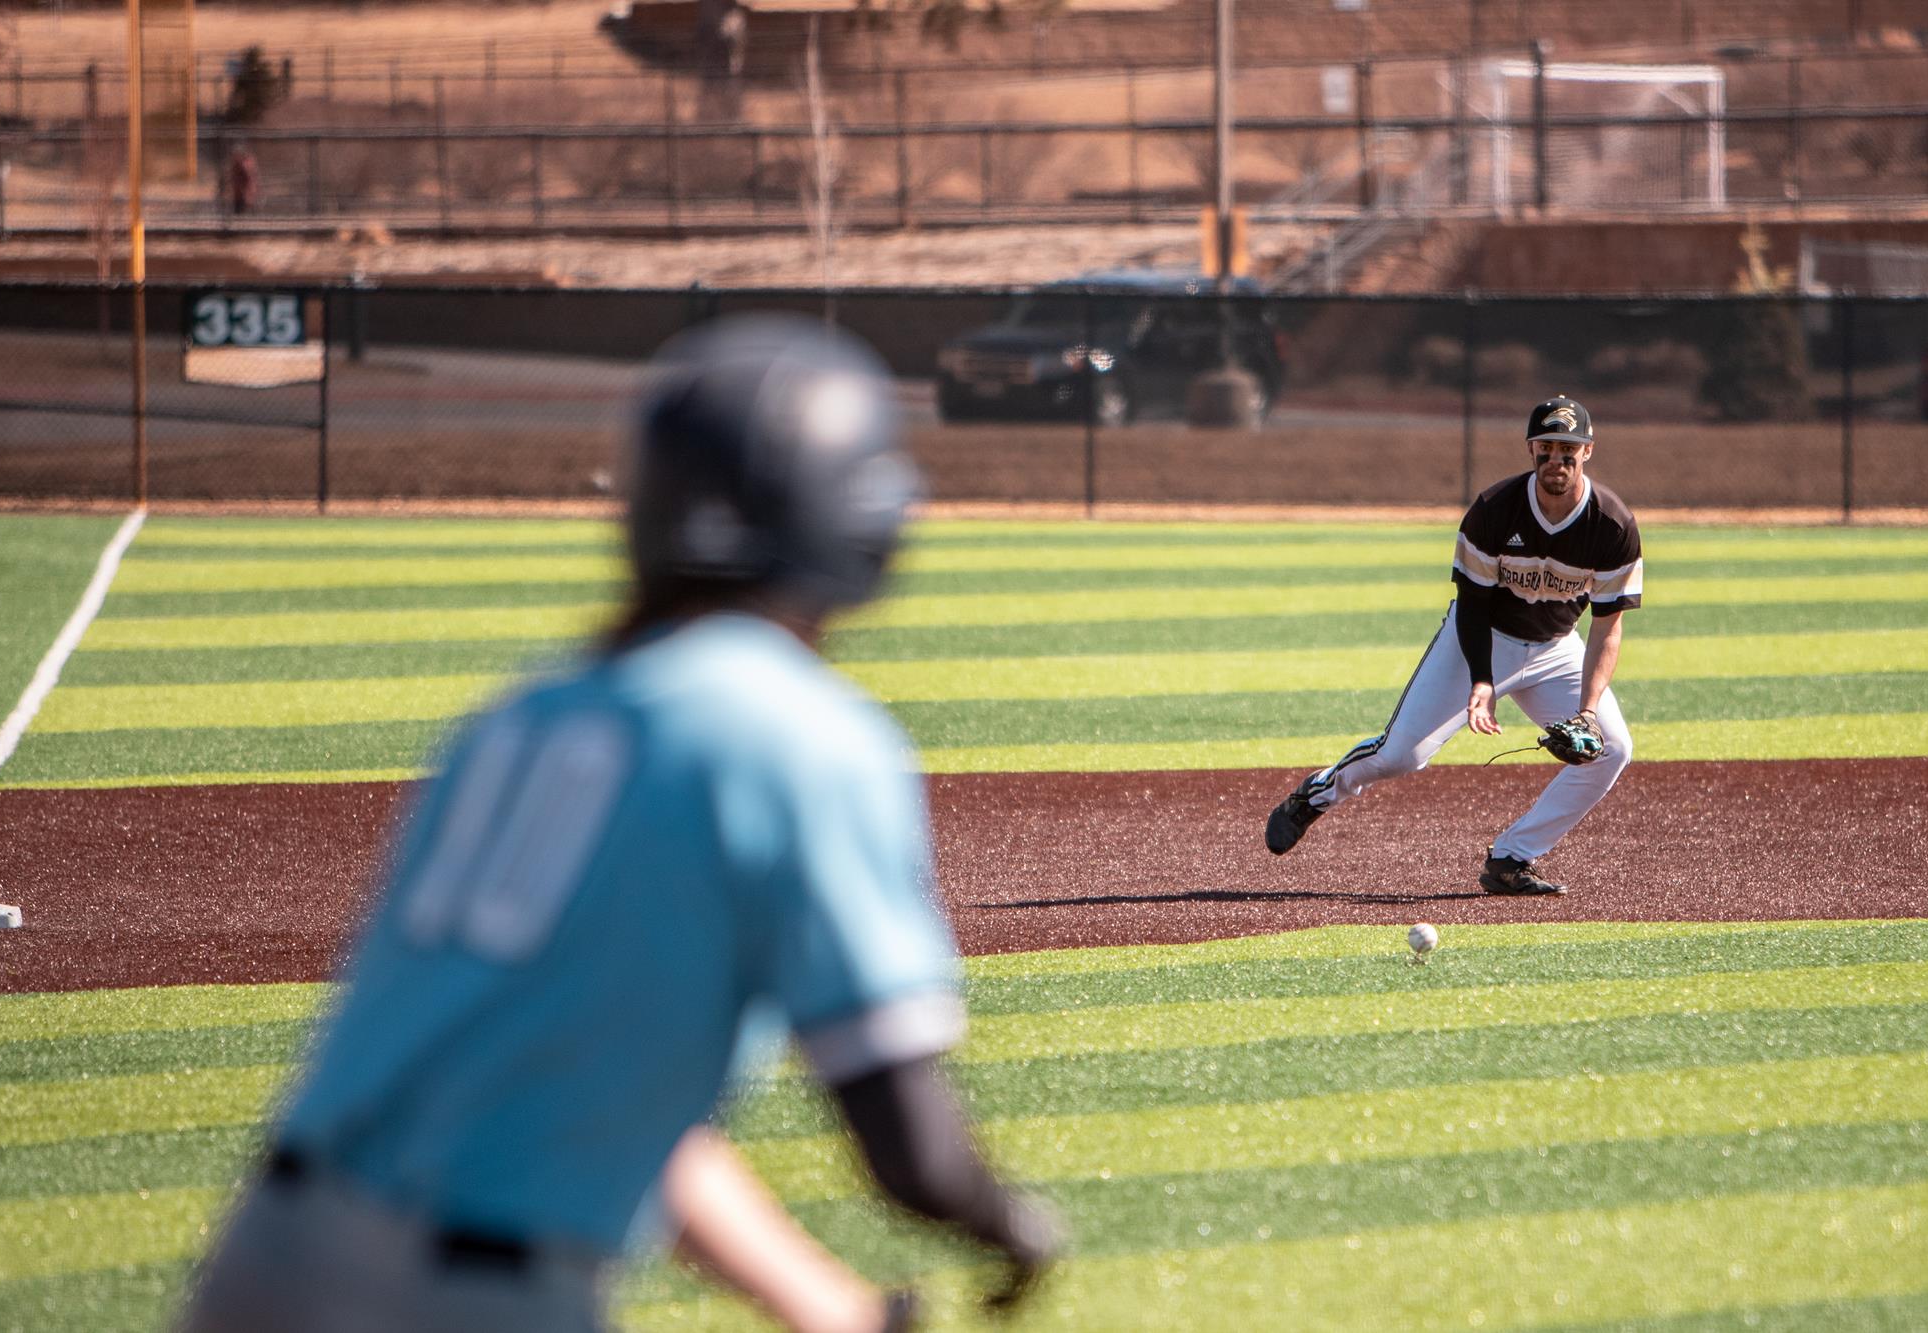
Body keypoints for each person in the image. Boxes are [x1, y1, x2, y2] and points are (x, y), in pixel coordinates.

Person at [178, 315, 1062, 1332]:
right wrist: (1010, 1223)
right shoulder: (801, 732)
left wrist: (829, 1306)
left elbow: (569, 1087)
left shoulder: (529, 713)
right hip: (475, 1302)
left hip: (262, 1266)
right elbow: (910, 1146)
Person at [1263, 394, 1642, 896]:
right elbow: (1473, 605)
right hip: (1483, 638)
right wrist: (1482, 679)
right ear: (1531, 449)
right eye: (1547, 447)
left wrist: (1588, 712)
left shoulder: (1612, 525)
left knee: (1611, 749)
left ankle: (1512, 856)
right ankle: (1318, 793)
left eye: (1568, 449)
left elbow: (1607, 627)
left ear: (1587, 451)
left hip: (1556, 648)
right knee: (1401, 755)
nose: (1557, 459)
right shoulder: (1495, 510)